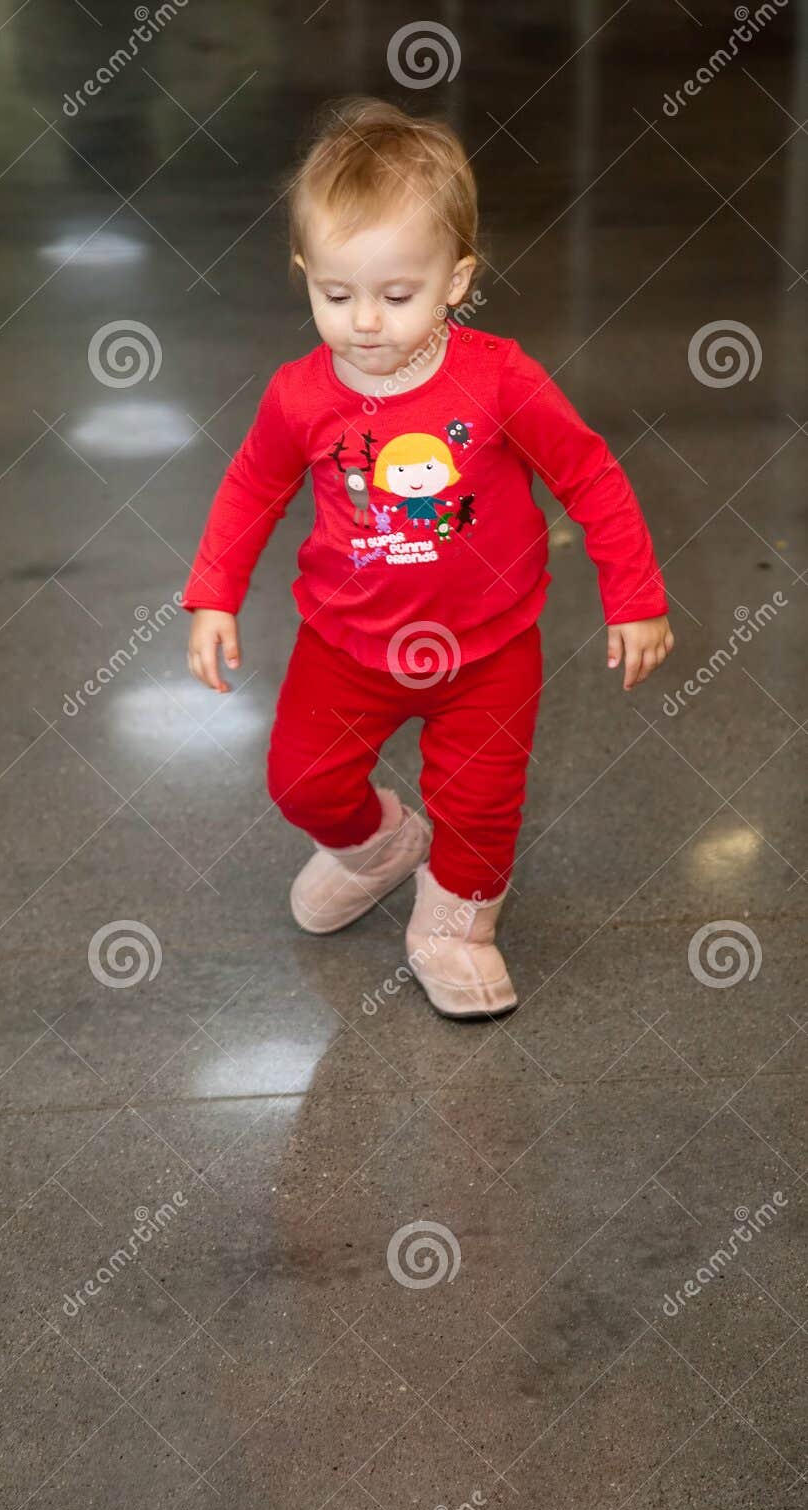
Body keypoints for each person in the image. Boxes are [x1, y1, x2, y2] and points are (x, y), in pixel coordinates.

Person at [183, 97, 673, 1019]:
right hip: (345, 644)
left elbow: (590, 477)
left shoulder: (499, 380)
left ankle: (451, 927)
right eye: (335, 294)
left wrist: (633, 594)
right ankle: (380, 848)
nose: (364, 321)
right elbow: (252, 490)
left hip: (487, 649)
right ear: (305, 275)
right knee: (301, 780)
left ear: (456, 279)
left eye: (396, 294)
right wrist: (213, 593)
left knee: (483, 803)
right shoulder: (298, 397)